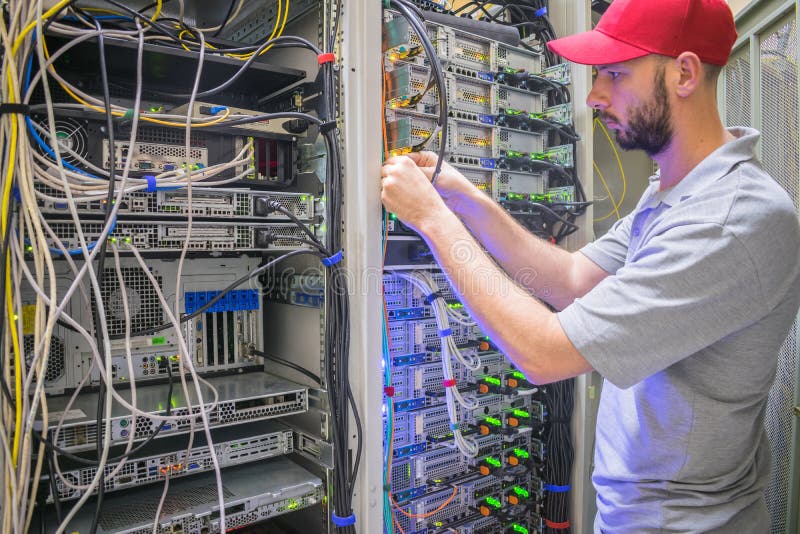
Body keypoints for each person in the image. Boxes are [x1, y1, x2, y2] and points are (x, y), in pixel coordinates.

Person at [380, 0, 800, 532]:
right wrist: (465, 200)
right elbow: (570, 282)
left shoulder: (731, 220)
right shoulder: (676, 196)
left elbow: (544, 353)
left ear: (686, 73)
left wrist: (434, 222)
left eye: (615, 75)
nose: (595, 96)